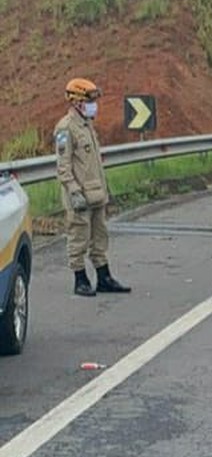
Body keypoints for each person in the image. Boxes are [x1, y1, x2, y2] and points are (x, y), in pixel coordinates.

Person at [54, 78, 131, 297]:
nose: (94, 105)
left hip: (97, 193)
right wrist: (73, 191)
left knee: (100, 236)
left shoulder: (88, 126)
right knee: (78, 236)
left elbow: (94, 163)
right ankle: (80, 279)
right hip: (79, 195)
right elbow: (63, 166)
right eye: (89, 101)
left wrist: (106, 190)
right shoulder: (66, 128)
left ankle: (104, 277)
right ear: (77, 102)